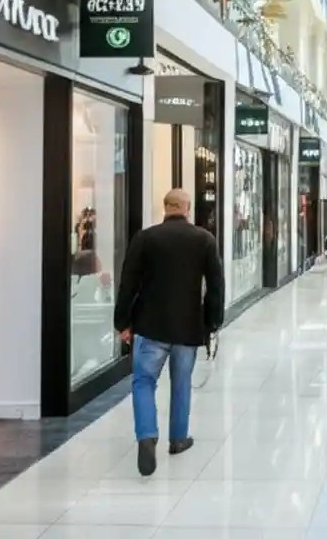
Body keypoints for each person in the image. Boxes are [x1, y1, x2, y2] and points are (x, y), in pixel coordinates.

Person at [114, 189, 224, 477]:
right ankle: (178, 439)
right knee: (181, 382)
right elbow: (215, 286)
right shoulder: (204, 240)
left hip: (150, 326)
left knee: (143, 382)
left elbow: (128, 282)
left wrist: (122, 322)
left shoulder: (146, 239)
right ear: (187, 208)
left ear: (165, 208)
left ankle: (147, 436)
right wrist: (213, 322)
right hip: (188, 327)